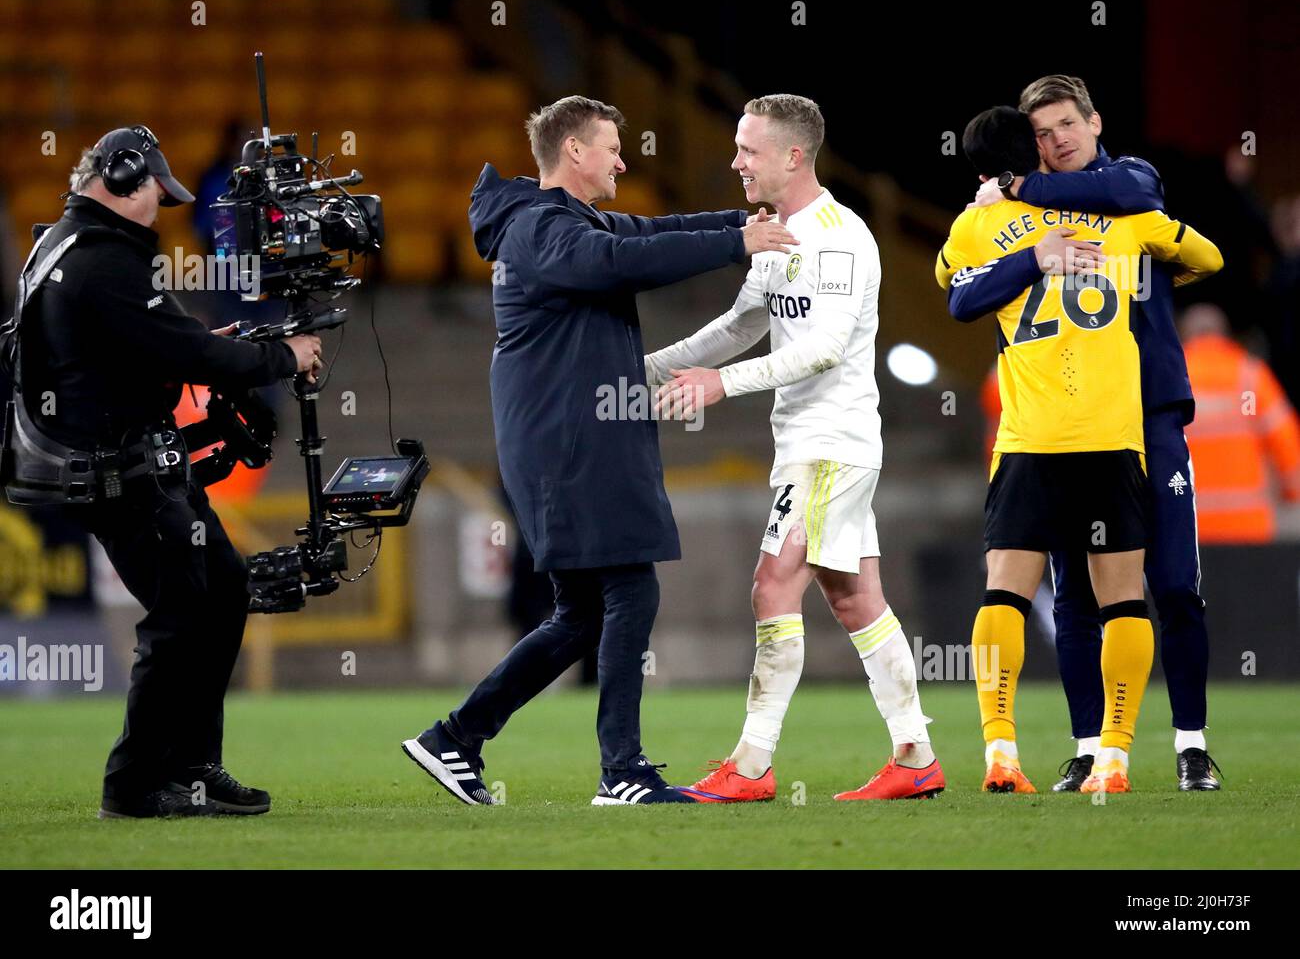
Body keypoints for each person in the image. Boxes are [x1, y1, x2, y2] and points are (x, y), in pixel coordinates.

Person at [401, 96, 796, 806]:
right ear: (575, 151)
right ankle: (623, 771)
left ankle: (457, 738)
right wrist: (738, 245)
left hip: (576, 437)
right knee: (629, 588)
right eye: (612, 147)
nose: (622, 159)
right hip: (570, 443)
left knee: (580, 613)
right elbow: (614, 260)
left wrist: (747, 224)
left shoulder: (563, 223)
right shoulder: (537, 227)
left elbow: (652, 232)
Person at [1, 125, 321, 818]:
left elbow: (145, 348)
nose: (160, 210)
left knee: (225, 586)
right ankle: (137, 783)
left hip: (127, 460)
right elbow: (186, 358)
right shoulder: (106, 261)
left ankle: (194, 769)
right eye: (155, 192)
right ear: (121, 178)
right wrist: (283, 357)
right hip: (118, 469)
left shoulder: (60, 244)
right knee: (180, 614)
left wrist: (206, 346)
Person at [649, 94, 945, 802]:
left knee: (772, 584)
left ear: (793, 155)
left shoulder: (839, 237)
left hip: (831, 443)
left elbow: (825, 348)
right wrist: (643, 367)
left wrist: (723, 385)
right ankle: (915, 755)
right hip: (811, 443)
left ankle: (752, 764)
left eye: (748, 149)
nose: (735, 160)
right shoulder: (774, 233)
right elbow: (737, 325)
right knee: (854, 597)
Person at [937, 106, 1223, 794]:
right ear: (1037, 150)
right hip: (1112, 437)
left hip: (1031, 439)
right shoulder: (1123, 221)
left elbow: (954, 292)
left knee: (1008, 592)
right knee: (1127, 600)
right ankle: (1116, 761)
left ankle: (1001, 750)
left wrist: (1021, 248)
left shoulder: (978, 225)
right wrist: (1150, 277)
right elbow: (1209, 257)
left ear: (984, 169)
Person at [1180, 304, 1300, 542]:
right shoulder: (1250, 376)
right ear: (1224, 334)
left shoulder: (1171, 380)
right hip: (1249, 525)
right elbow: (1287, 444)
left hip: (1187, 528)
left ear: (1184, 335)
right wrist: (1292, 496)